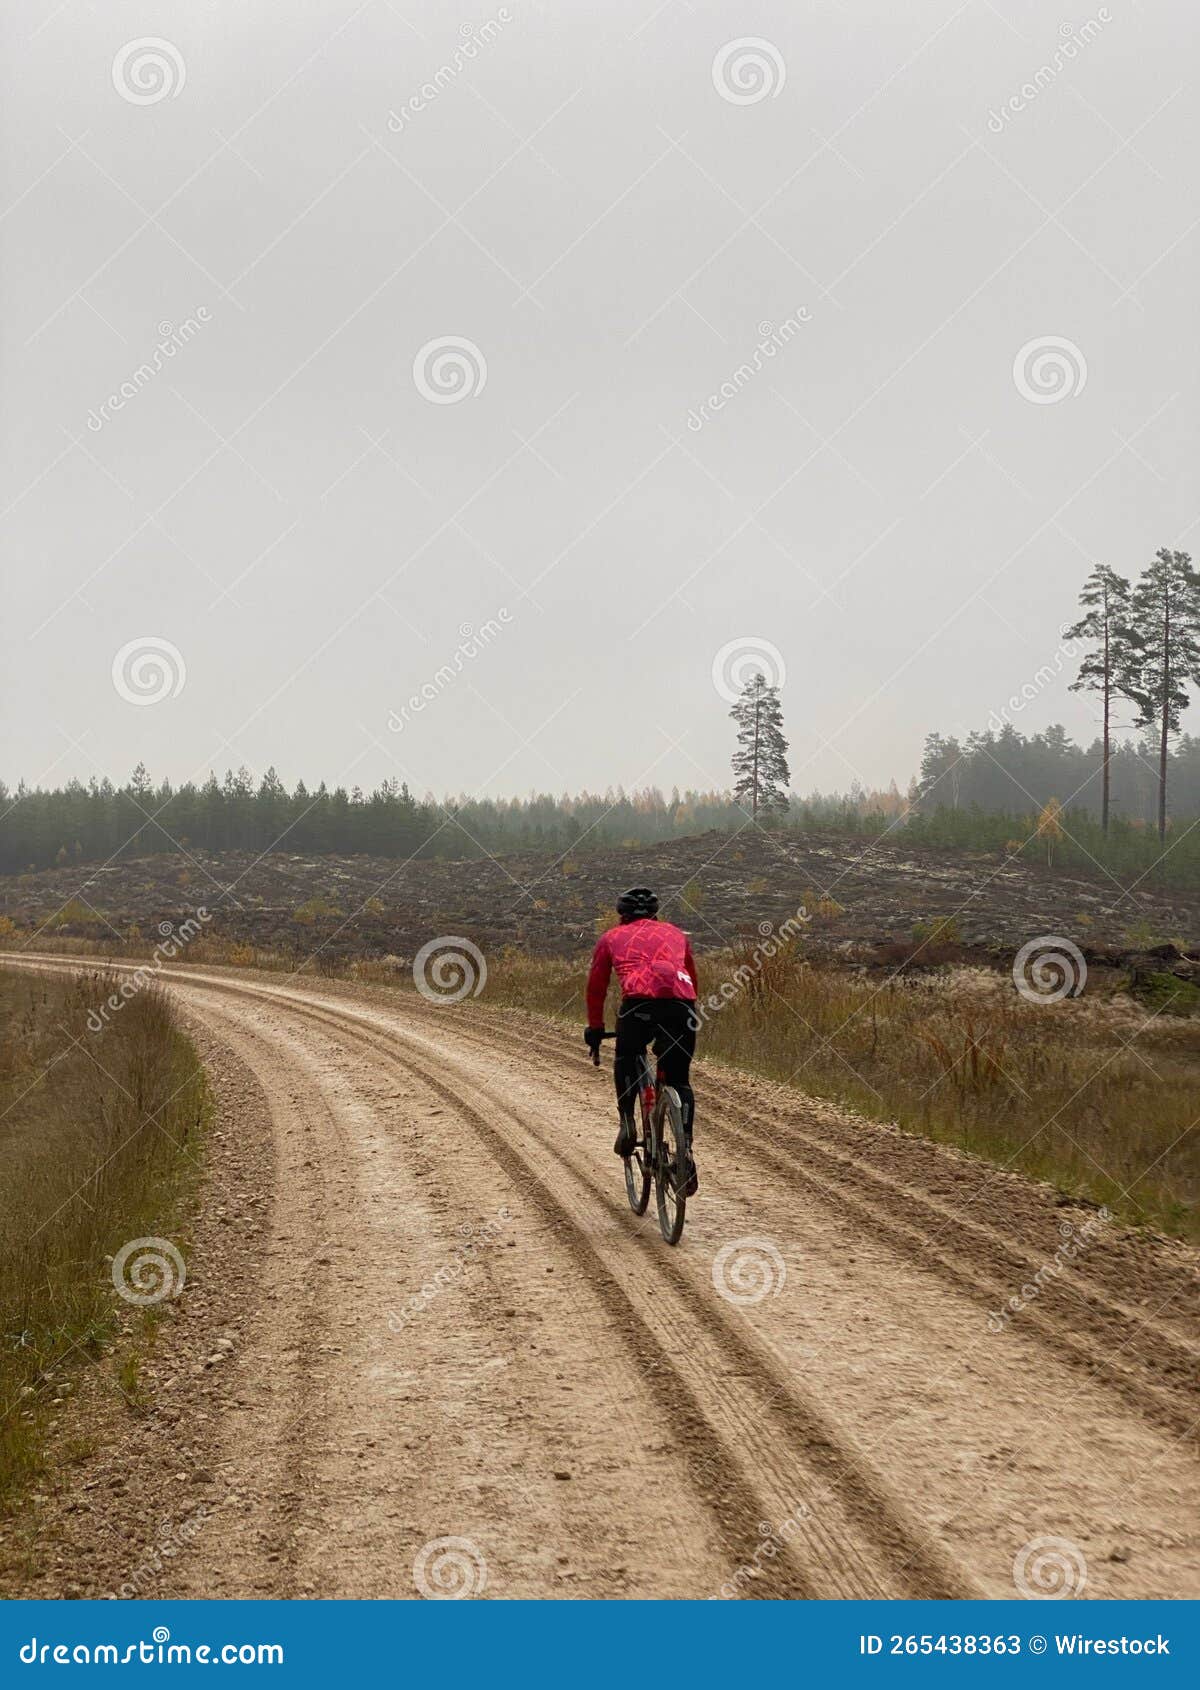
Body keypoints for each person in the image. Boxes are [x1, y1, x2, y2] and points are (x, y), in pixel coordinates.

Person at [584, 887, 699, 1194]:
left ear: (622, 916)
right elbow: (692, 978)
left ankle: (627, 1123)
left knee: (626, 1057)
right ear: (655, 914)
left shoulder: (611, 938)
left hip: (638, 1006)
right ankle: (684, 1150)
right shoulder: (676, 933)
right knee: (679, 1080)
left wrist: (596, 1028)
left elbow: (596, 987)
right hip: (682, 1005)